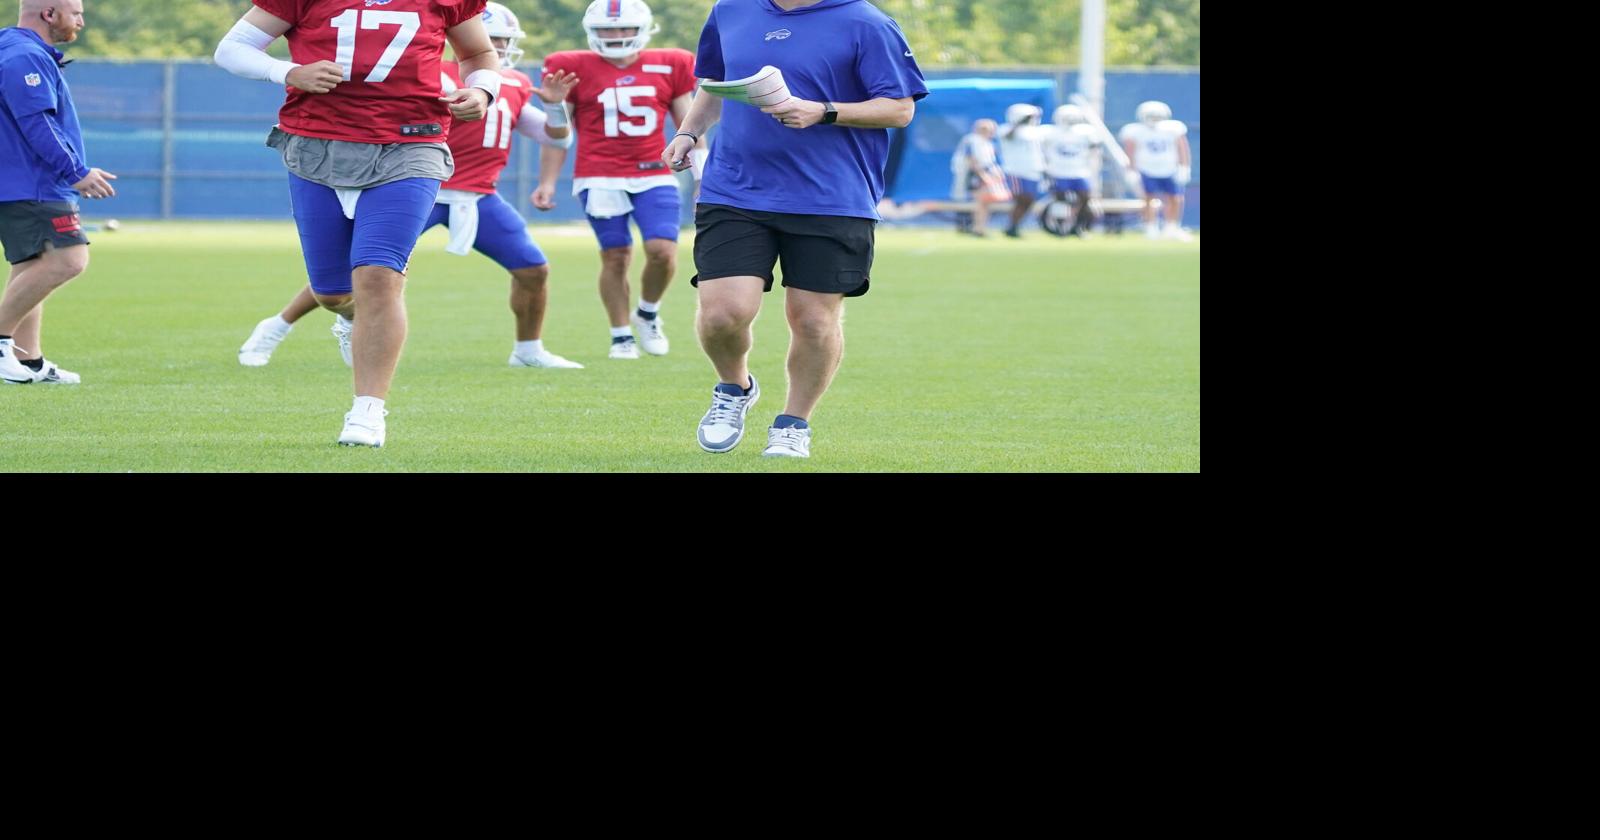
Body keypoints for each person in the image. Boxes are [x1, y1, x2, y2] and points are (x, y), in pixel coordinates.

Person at [214, 0, 500, 447]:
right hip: (317, 143)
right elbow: (232, 49)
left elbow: (478, 54)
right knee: (331, 292)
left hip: (412, 144)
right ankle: (352, 317)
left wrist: (481, 92)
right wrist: (288, 72)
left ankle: (367, 411)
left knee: (379, 276)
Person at [237, 2, 584, 371]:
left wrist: (553, 107)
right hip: (415, 183)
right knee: (362, 273)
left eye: (502, 40)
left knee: (532, 268)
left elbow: (556, 138)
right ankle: (278, 326)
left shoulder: (510, 84)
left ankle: (528, 350)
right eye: (491, 39)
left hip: (477, 194)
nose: (497, 47)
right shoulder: (431, 72)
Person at [663, 0, 926, 459]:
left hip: (833, 197)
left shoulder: (866, 22)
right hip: (735, 189)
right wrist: (688, 132)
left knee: (813, 320)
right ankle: (734, 388)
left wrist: (822, 111)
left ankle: (793, 423)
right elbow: (716, 83)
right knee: (722, 314)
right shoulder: (730, 10)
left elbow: (899, 109)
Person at [539, 0, 703, 360]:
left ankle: (647, 312)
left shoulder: (672, 62)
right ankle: (620, 336)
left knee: (662, 251)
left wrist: (701, 177)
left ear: (642, 29)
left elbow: (691, 126)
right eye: (606, 29)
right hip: (599, 174)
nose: (614, 35)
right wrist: (548, 179)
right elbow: (559, 136)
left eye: (623, 28)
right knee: (615, 256)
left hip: (653, 171)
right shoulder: (571, 66)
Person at [0, 0, 112, 385]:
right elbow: (38, 124)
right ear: (49, 13)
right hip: (32, 183)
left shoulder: (17, 50)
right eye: (76, 13)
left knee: (31, 265)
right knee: (68, 259)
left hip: (21, 182)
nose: (81, 21)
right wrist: (76, 171)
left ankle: (28, 360)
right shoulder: (24, 57)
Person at [1119, 99, 1191, 241]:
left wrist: (1184, 167)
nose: (1154, 120)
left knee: (1176, 198)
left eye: (1157, 116)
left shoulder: (1173, 129)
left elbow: (1182, 148)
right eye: (1151, 116)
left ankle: (1172, 227)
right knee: (1148, 198)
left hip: (1169, 168)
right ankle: (1150, 227)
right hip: (1146, 169)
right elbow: (1130, 151)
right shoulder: (1135, 131)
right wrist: (1131, 170)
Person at [1042, 104, 1099, 238]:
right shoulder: (1050, 132)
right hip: (1058, 171)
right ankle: (1060, 227)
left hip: (1079, 170)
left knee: (1085, 198)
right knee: (1060, 200)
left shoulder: (1085, 132)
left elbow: (1094, 146)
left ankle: (1078, 226)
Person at [997, 102, 1048, 238]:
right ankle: (1011, 226)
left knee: (1030, 200)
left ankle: (1013, 226)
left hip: (1033, 171)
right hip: (1016, 170)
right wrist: (1020, 122)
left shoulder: (1036, 132)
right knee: (1022, 198)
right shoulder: (1005, 129)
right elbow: (1008, 135)